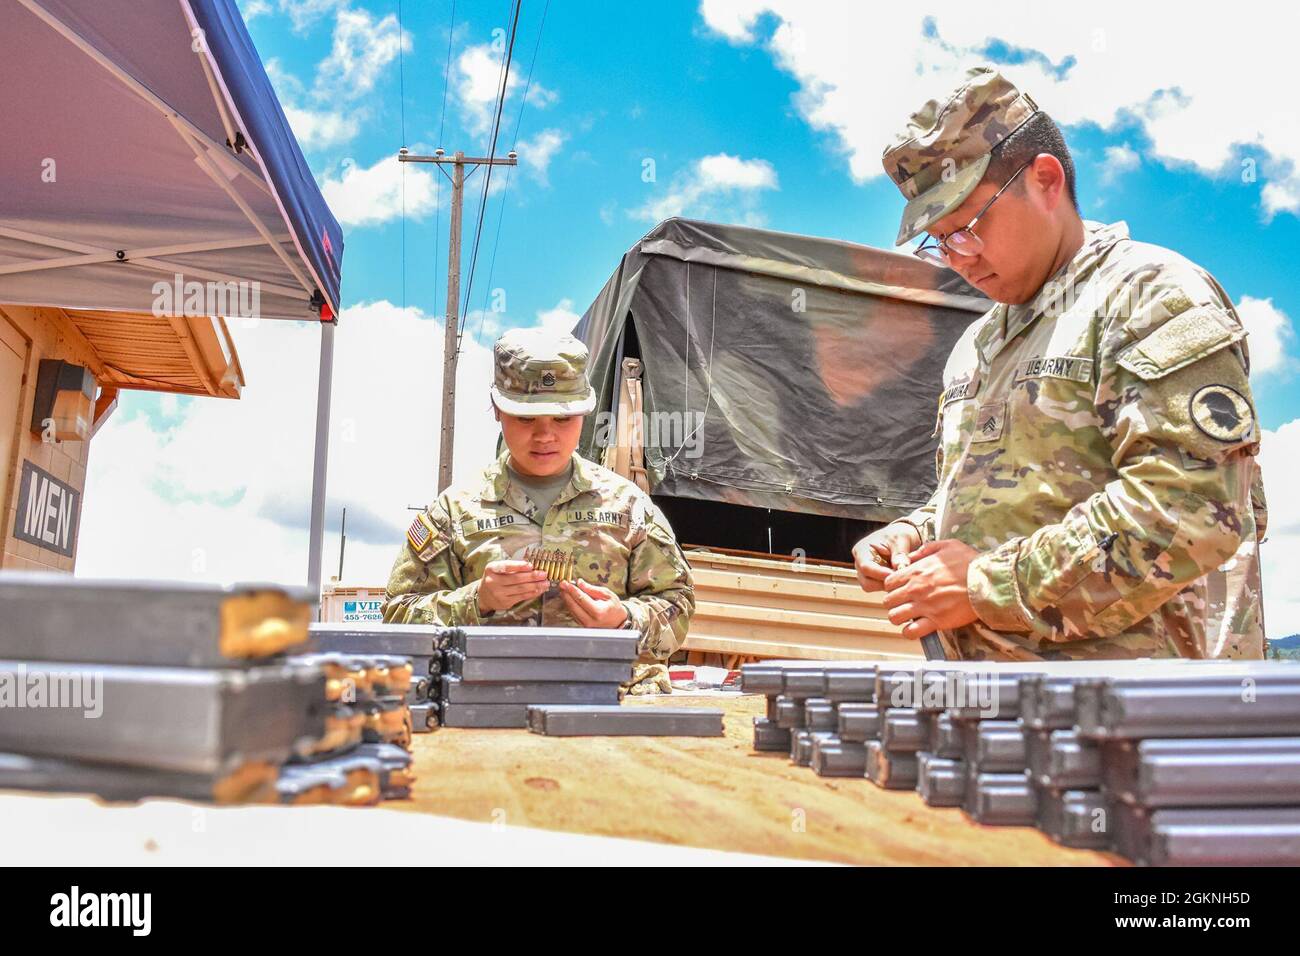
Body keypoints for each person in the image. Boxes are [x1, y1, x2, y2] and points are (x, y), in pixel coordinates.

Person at [853, 66, 1267, 661]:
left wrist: (986, 585)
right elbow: (995, 493)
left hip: (1134, 719)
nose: (957, 259)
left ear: (1045, 180)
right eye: (939, 242)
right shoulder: (980, 341)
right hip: (995, 708)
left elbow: (1191, 507)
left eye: (967, 227)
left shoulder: (1150, 295)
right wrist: (915, 533)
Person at [383, 327, 695, 691]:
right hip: (491, 708)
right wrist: (477, 600)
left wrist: (623, 619)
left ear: (585, 412)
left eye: (562, 419)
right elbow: (398, 620)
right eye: (526, 418)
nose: (545, 435)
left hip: (613, 711)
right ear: (498, 410)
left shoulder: (629, 507)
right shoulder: (454, 512)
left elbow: (678, 604)